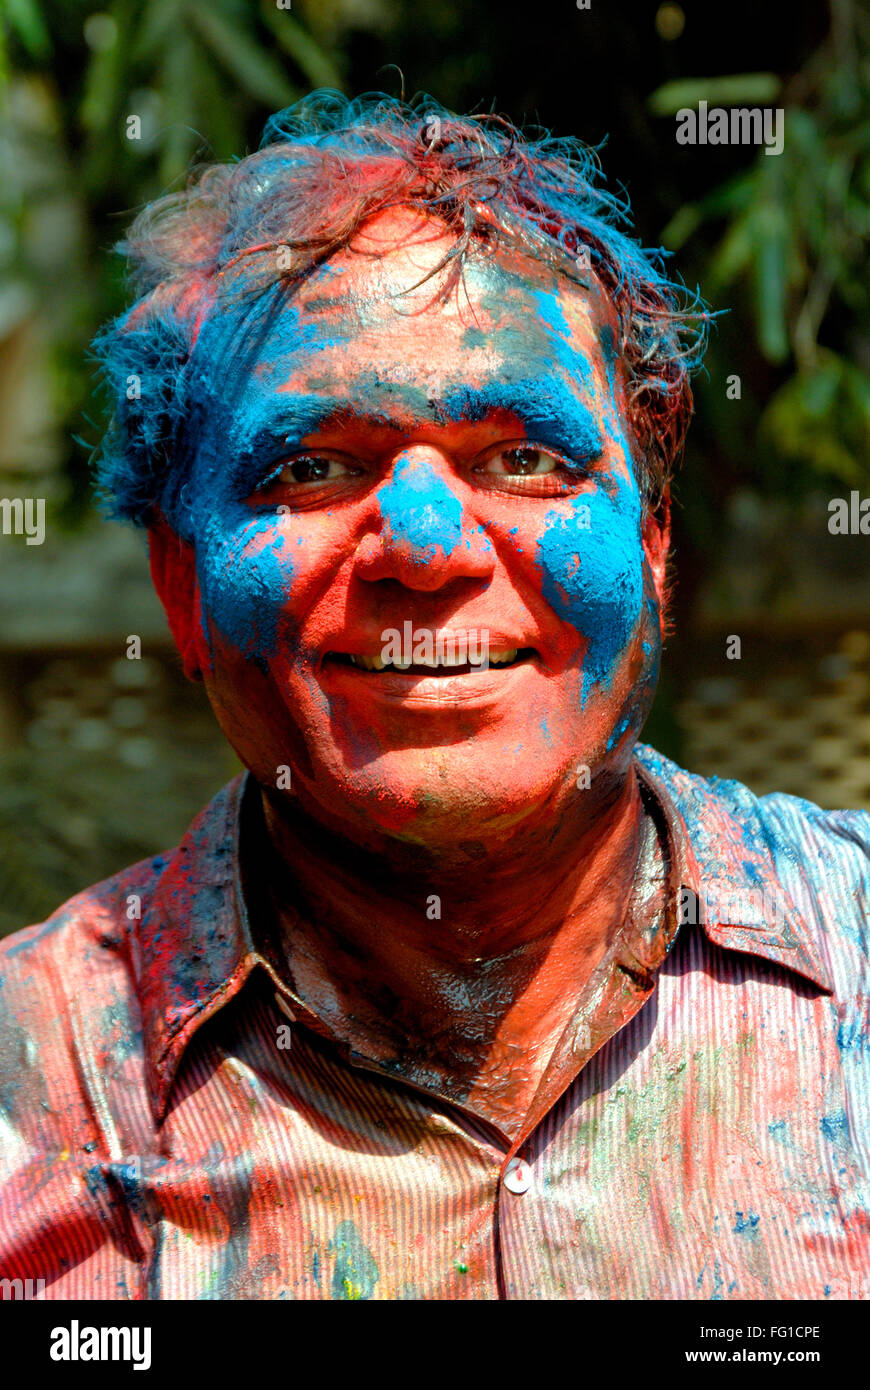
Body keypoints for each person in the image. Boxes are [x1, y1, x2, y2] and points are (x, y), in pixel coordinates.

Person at [0, 92, 867, 1301]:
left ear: (656, 546)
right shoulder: (28, 1092)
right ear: (180, 588)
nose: (425, 543)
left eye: (526, 458)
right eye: (310, 467)